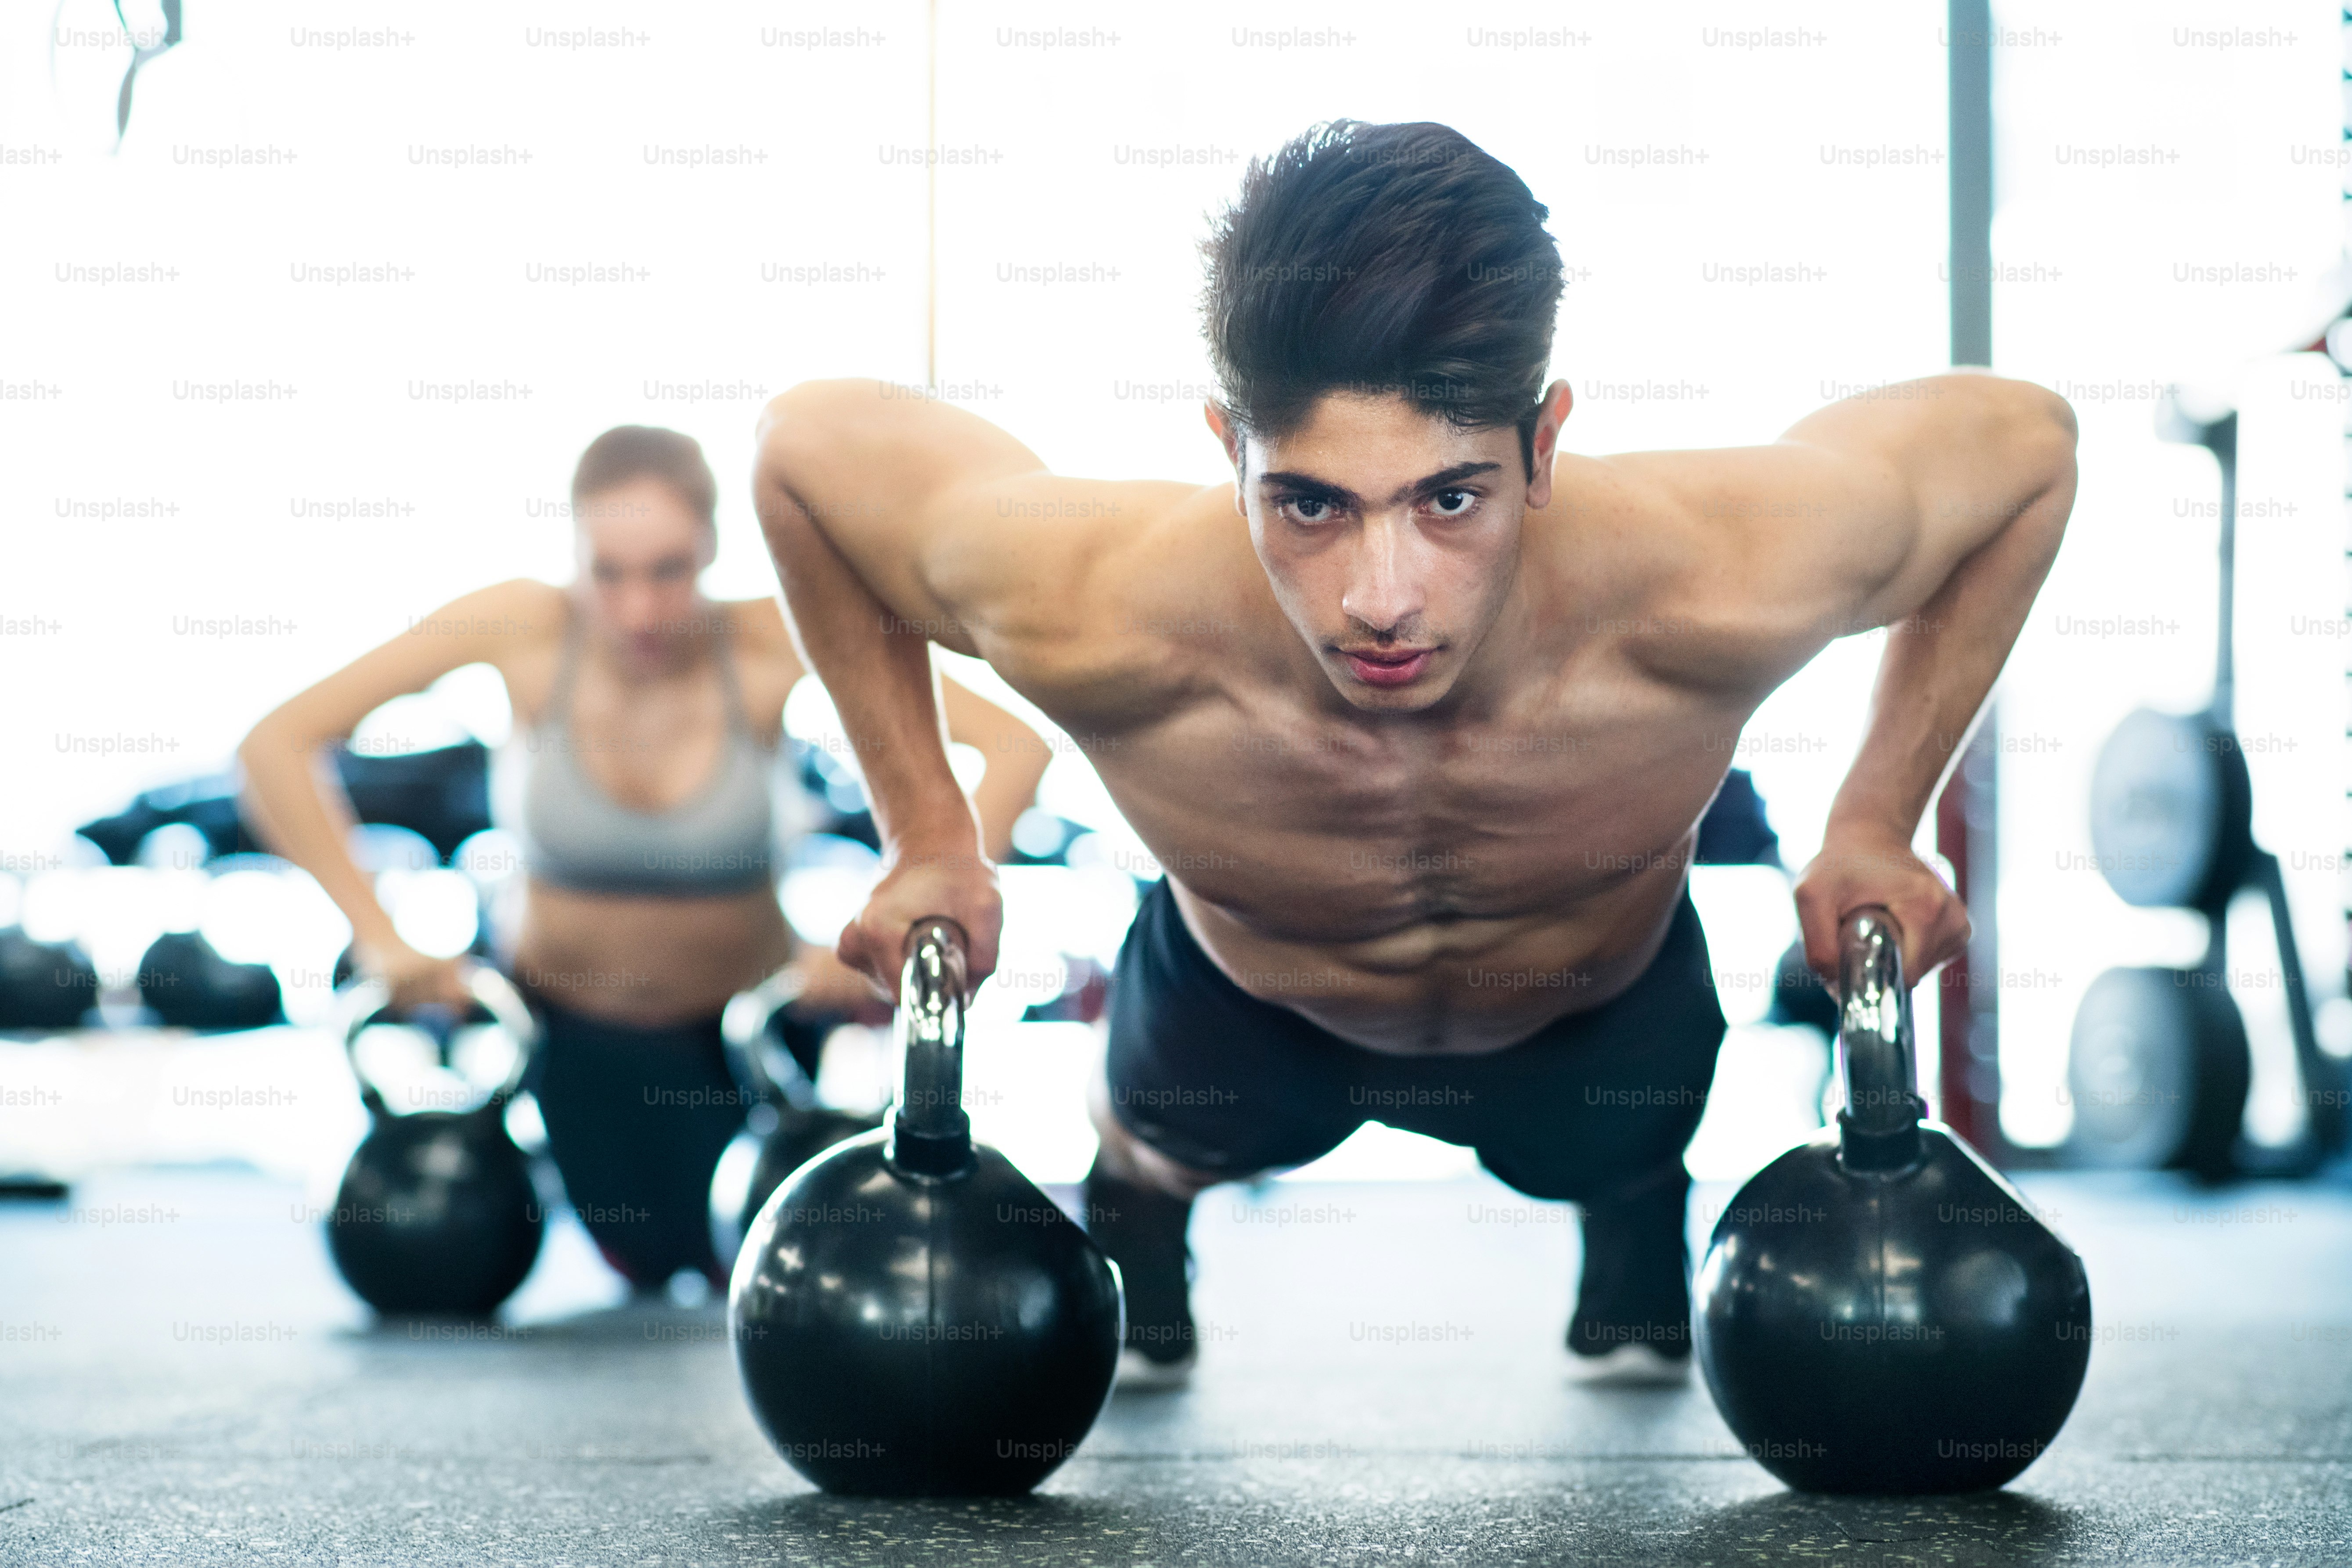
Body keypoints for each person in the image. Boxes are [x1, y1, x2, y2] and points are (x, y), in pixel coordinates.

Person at [752, 120, 2078, 1384]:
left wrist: (1872, 820)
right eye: (1310, 503)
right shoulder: (1096, 602)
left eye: (1448, 499)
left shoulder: (1714, 574)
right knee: (1153, 1145)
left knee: (1625, 1143)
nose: (1378, 597)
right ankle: (1141, 1201)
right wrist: (927, 830)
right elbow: (802, 454)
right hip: (1243, 1016)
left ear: (1541, 444)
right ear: (1230, 450)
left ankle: (1630, 1207)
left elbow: (2025, 450)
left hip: (1589, 1021)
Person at [240, 425, 1049, 1294]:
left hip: (745, 1049)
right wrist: (379, 934)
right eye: (609, 572)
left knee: (756, 1285)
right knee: (644, 1269)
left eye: (669, 570)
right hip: (568, 1041)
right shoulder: (521, 626)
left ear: (708, 550)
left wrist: (894, 906)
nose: (639, 610)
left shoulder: (775, 636)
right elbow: (277, 743)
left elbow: (1013, 746)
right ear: (574, 554)